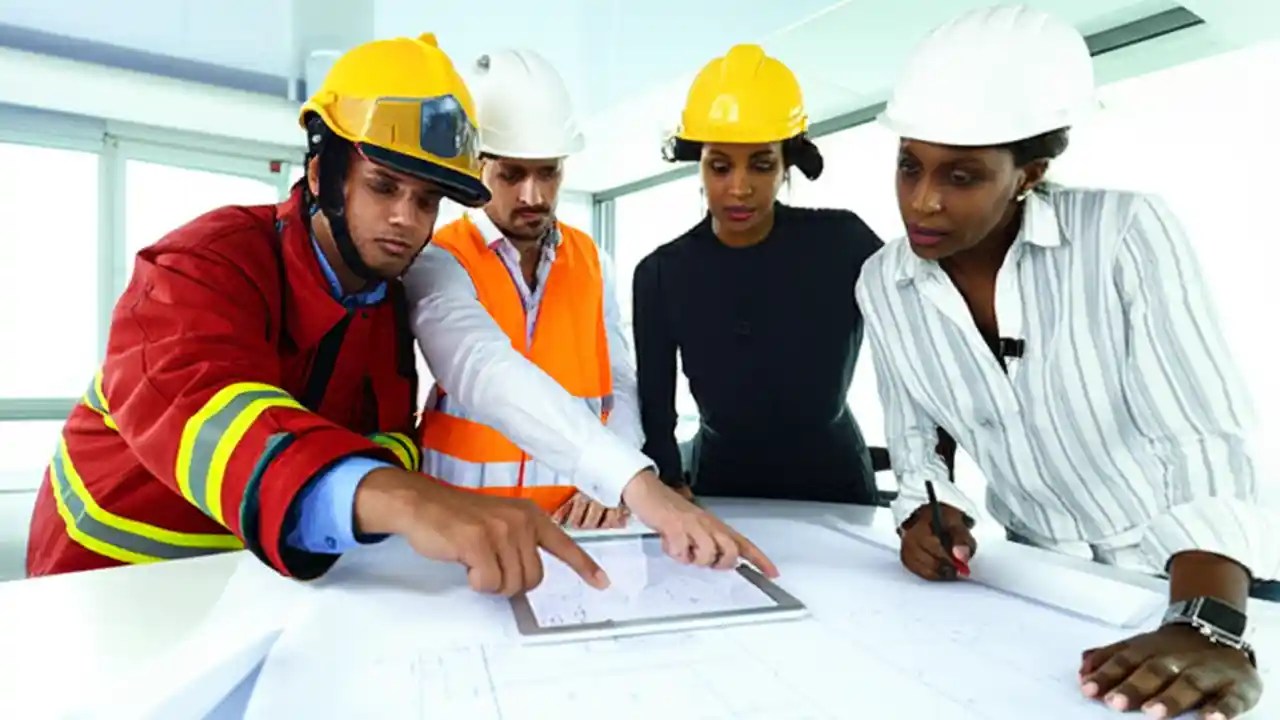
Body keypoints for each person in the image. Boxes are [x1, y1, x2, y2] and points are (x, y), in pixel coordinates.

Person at [25, 33, 778, 596]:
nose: (405, 220)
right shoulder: (204, 262)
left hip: (266, 586)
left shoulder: (390, 297)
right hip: (109, 584)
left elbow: (412, 420)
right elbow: (212, 414)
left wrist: (627, 482)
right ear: (322, 171)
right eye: (384, 186)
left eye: (426, 199)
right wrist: (416, 502)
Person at [857, 6, 1270, 717]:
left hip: (1187, 579)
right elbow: (916, 439)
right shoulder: (881, 282)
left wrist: (1205, 623)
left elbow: (1201, 436)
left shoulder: (1123, 233)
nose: (922, 201)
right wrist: (926, 512)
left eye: (962, 176)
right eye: (909, 166)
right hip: (1035, 580)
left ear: (1029, 174)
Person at [632, 43, 884, 505]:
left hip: (837, 487)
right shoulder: (661, 274)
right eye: (720, 166)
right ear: (698, 165)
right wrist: (667, 481)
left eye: (762, 165)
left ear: (787, 164)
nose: (739, 188)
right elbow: (655, 406)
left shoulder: (845, 243)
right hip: (720, 485)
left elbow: (914, 353)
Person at [403, 49, 636, 531]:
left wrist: (615, 477)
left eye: (548, 172)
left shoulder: (594, 262)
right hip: (460, 528)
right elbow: (483, 366)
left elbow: (618, 384)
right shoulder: (438, 260)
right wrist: (621, 472)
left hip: (576, 528)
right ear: (477, 166)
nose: (534, 195)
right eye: (511, 175)